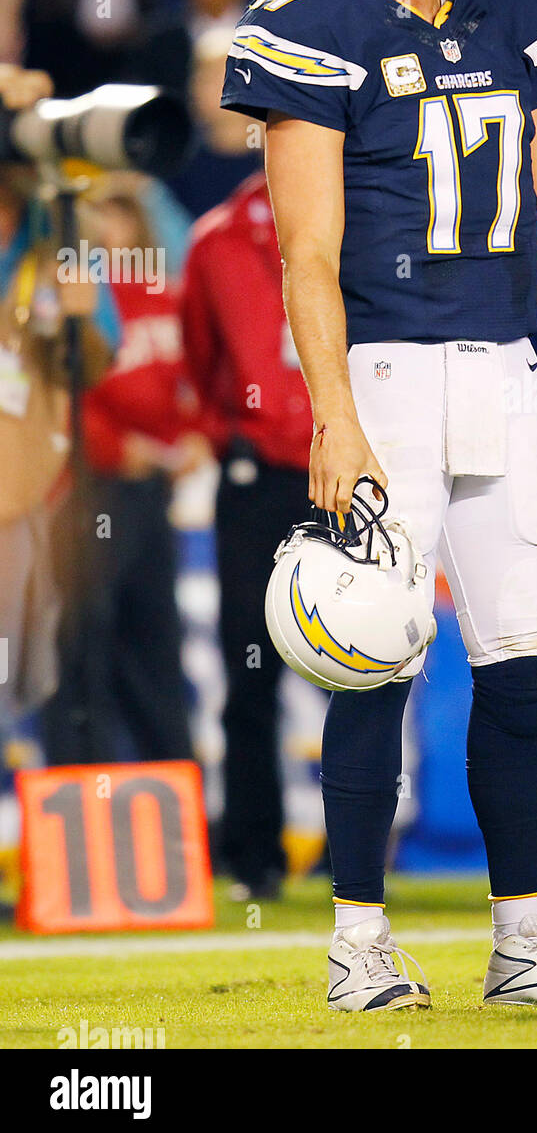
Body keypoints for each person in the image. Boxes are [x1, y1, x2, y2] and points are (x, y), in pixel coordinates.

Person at [220, 0, 537, 1011]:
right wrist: (332, 413)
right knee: (375, 657)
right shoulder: (311, 27)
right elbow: (306, 252)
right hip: (388, 377)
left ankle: (522, 940)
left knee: (523, 661)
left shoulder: (510, 7)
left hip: (508, 370)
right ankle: (358, 944)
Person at [181, 169, 315, 901]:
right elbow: (199, 364)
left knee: (379, 661)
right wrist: (228, 436)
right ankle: (254, 854)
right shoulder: (218, 241)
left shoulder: (364, 214)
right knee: (251, 668)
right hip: (262, 475)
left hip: (347, 461)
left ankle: (356, 850)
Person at [39, 189, 205, 765]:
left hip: (149, 492)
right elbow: (62, 393)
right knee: (82, 642)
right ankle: (79, 788)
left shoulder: (165, 293)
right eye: (99, 216)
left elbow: (199, 374)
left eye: (121, 211)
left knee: (154, 643)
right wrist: (115, 448)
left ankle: (173, 802)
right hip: (84, 492)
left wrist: (193, 435)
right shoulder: (69, 299)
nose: (111, 228)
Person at [0, 65, 119, 759]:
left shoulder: (56, 232)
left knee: (21, 673)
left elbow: (95, 368)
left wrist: (80, 322)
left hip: (24, 500)